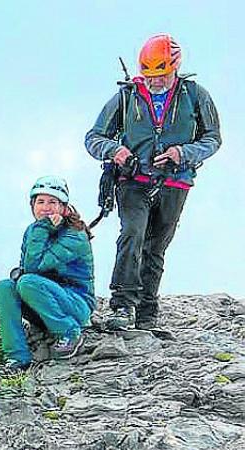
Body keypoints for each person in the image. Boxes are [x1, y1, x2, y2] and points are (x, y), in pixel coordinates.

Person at [85, 34, 221, 331]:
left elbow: (213, 139)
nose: (154, 81)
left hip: (176, 182)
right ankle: (122, 305)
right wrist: (115, 151)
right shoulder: (126, 96)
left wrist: (183, 153)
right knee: (132, 234)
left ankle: (147, 311)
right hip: (132, 180)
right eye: (149, 75)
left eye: (160, 75)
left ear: (175, 67)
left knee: (156, 245)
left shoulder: (196, 95)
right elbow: (93, 138)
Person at [0, 176, 96, 371]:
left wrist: (41, 228)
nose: (46, 207)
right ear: (32, 205)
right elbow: (26, 267)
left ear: (64, 208)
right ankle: (16, 356)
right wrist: (41, 229)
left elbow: (34, 268)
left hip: (75, 304)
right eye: (40, 202)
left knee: (27, 282)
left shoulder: (74, 234)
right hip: (43, 300)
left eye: (53, 202)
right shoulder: (34, 231)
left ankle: (70, 331)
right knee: (5, 287)